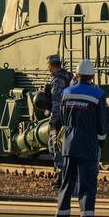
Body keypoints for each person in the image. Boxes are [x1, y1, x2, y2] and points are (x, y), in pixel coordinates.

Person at [54, 57, 109, 217]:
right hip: (88, 142)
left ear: (77, 75)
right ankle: (86, 213)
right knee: (87, 179)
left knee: (67, 178)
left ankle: (62, 211)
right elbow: (102, 122)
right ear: (92, 76)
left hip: (69, 142)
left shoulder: (66, 93)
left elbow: (62, 119)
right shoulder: (98, 94)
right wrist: (101, 142)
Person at [44, 55, 71, 185]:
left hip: (60, 121)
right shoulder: (68, 76)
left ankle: (61, 178)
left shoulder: (57, 81)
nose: (47, 68)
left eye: (48, 65)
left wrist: (52, 122)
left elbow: (56, 104)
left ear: (51, 65)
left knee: (55, 147)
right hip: (69, 119)